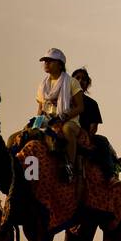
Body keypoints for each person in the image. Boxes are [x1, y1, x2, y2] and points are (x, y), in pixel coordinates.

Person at [71, 67, 121, 180]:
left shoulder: (92, 104)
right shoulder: (64, 99)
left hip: (85, 136)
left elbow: (93, 127)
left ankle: (109, 175)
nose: (80, 81)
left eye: (84, 79)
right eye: (77, 78)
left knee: (103, 141)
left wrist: (86, 138)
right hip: (66, 130)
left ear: (87, 84)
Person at [34, 48, 84, 182]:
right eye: (45, 61)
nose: (46, 63)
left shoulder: (72, 82)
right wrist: (35, 124)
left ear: (60, 64)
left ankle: (70, 167)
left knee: (67, 130)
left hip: (69, 121)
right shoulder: (42, 86)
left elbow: (80, 107)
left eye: (50, 61)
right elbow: (40, 109)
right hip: (47, 120)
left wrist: (64, 116)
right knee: (21, 137)